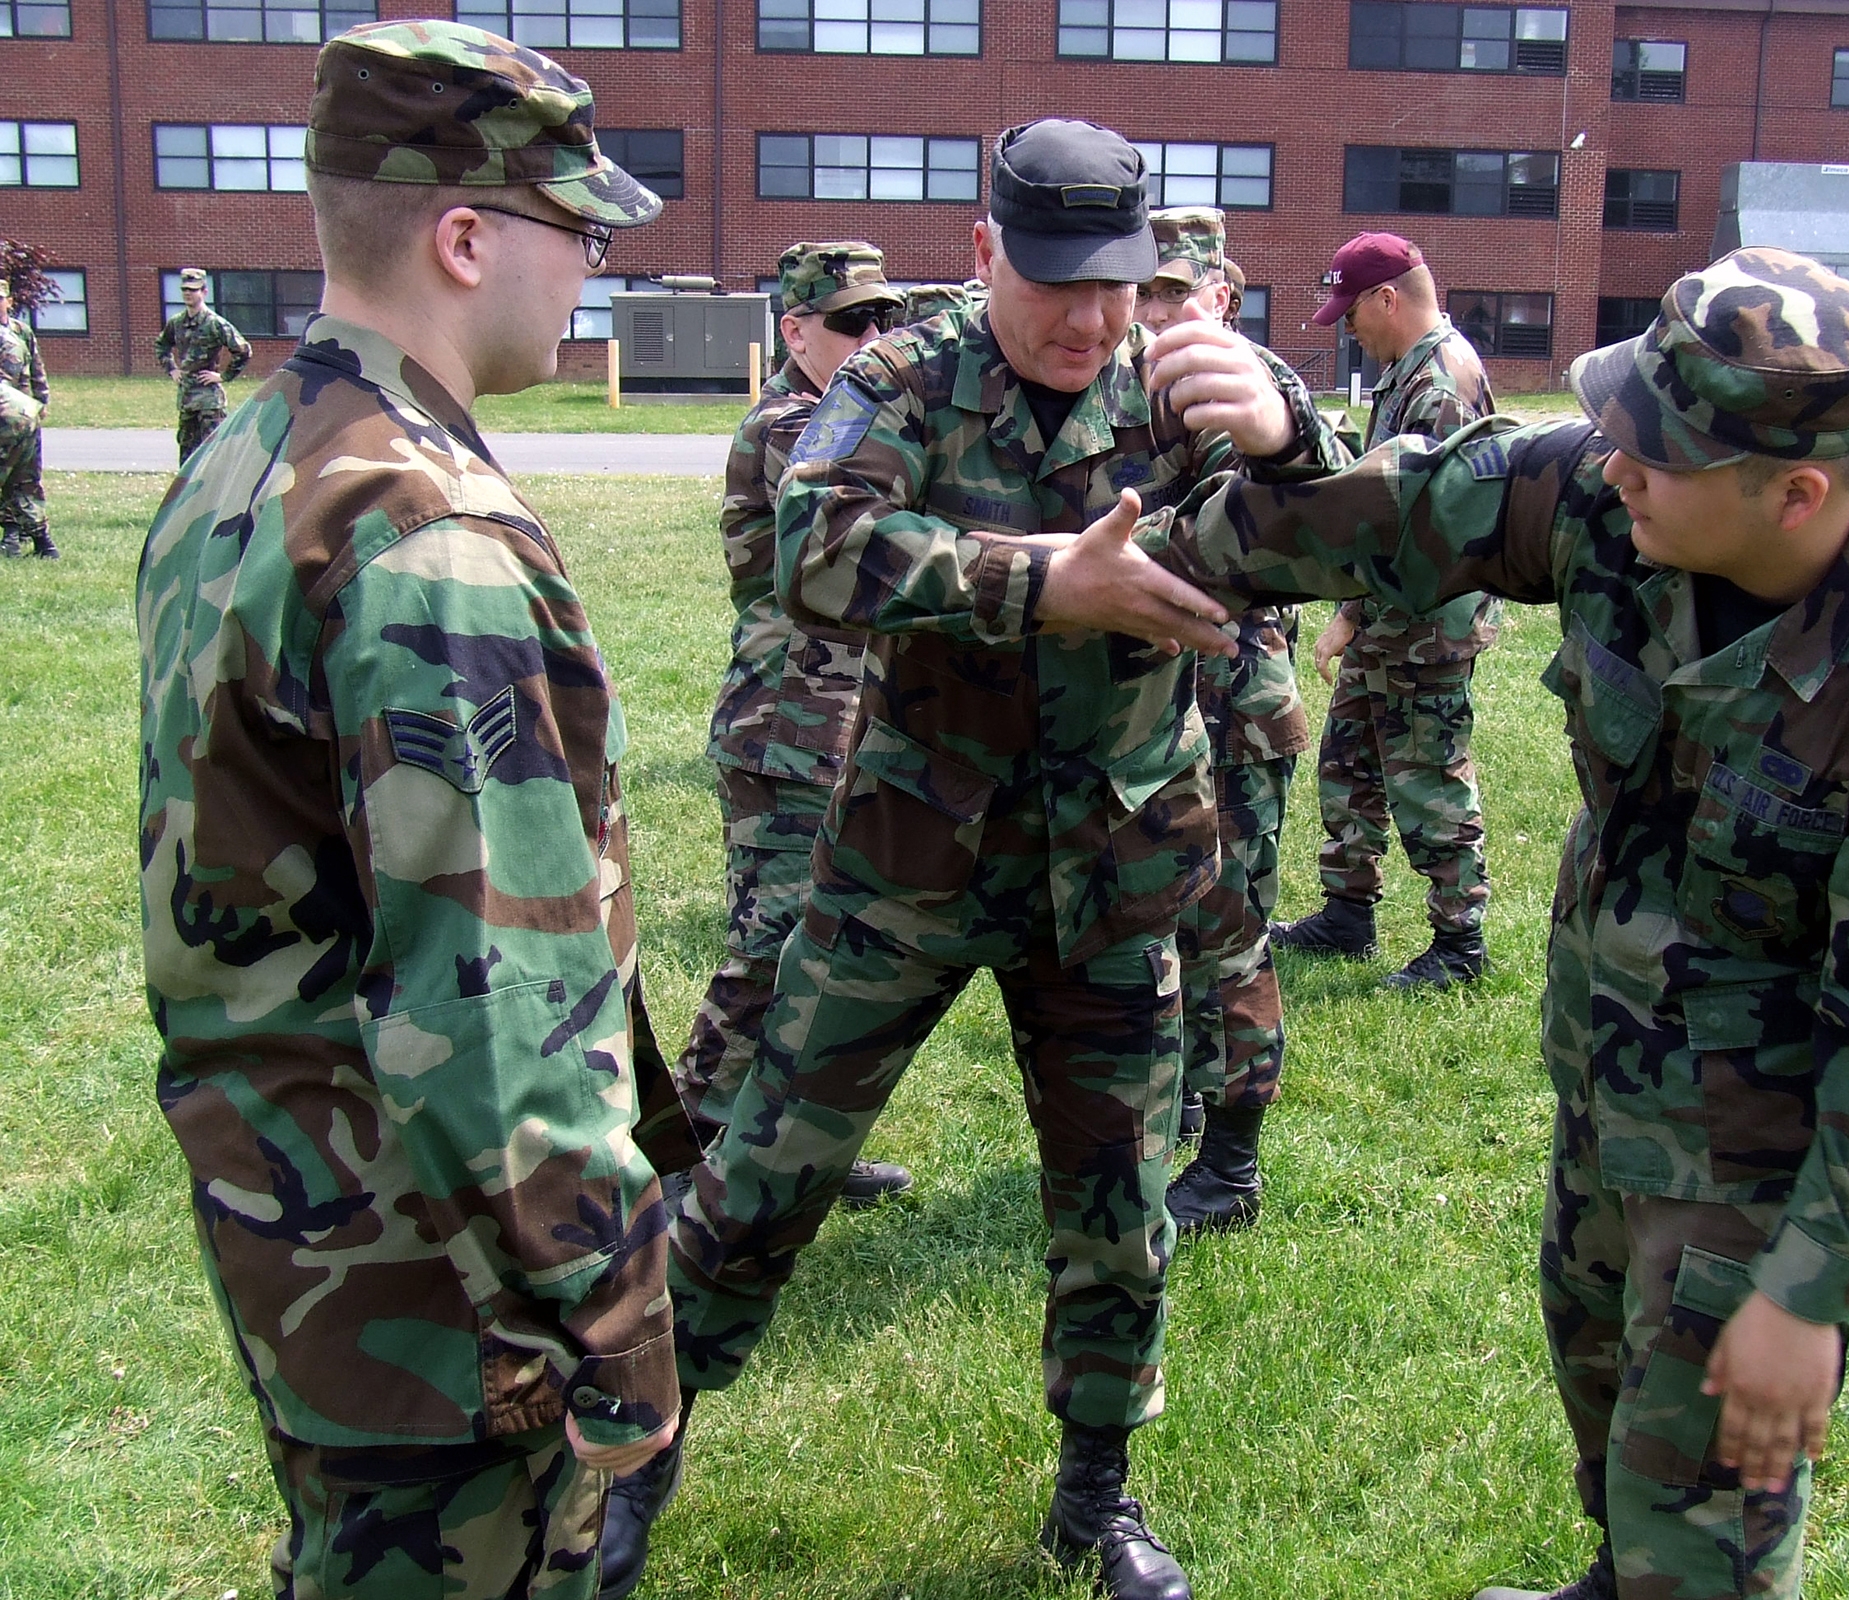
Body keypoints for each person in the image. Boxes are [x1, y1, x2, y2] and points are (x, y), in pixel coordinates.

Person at [1140, 247, 1849, 1600]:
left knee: (1708, 1523)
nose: (1612, 467)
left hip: (1755, 1164)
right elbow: (1402, 511)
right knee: (1607, 1398)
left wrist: (1809, 1291)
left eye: (1651, 454)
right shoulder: (1622, 490)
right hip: (1610, 1079)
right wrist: (1124, 567)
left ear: (1795, 493)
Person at [659, 119, 1344, 1600]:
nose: (1089, 320)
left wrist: (1292, 447)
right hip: (912, 858)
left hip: (1115, 865)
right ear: (984, 256)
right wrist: (1044, 581)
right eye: (1054, 286)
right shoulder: (907, 376)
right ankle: (631, 1459)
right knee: (768, 1169)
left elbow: (1324, 545)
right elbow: (815, 551)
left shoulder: (1181, 383)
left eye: (1117, 285)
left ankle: (1096, 1498)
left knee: (1115, 1201)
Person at [134, 22, 693, 1599]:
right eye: (574, 230)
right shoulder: (424, 529)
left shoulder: (249, 450)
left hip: (294, 1217)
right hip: (439, 1289)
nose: (590, 264)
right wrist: (611, 1320)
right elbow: (491, 1001)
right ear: (465, 238)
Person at [673, 240, 914, 1207]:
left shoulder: (851, 411)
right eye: (854, 322)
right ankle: (676, 1151)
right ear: (795, 329)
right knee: (772, 941)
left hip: (848, 717)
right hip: (791, 722)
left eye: (885, 320)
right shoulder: (796, 426)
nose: (875, 339)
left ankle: (793, 1139)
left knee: (833, 945)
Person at [1135, 205, 1320, 1235]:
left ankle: (1235, 1163)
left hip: (1237, 719)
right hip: (1160, 718)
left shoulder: (1245, 391)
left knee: (1233, 933)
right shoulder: (1136, 389)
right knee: (1173, 924)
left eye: (1176, 289)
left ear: (1223, 294)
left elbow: (1301, 494)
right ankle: (1194, 1102)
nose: (1158, 309)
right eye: (1145, 290)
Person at [1271, 232, 1500, 991]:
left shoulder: (1437, 384)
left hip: (1422, 620)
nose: (1348, 330)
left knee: (1427, 777)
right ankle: (1346, 916)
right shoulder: (1409, 372)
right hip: (1389, 615)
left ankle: (1459, 944)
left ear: (1386, 298)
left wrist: (1348, 607)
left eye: (1351, 313)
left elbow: (1413, 521)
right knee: (1350, 766)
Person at [155, 266, 252, 464]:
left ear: (204, 292)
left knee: (214, 456)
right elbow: (162, 345)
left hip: (209, 402)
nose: (188, 294)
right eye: (185, 290)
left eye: (193, 289)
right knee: (187, 459)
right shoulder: (176, 323)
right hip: (187, 400)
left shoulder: (215, 324)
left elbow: (243, 350)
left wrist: (223, 376)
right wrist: (172, 369)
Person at [0, 278, 54, 559]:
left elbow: (36, 370)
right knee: (21, 481)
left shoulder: (21, 332)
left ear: (9, 301)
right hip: (19, 411)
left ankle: (19, 537)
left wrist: (41, 400)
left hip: (13, 413)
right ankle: (35, 541)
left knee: (20, 479)